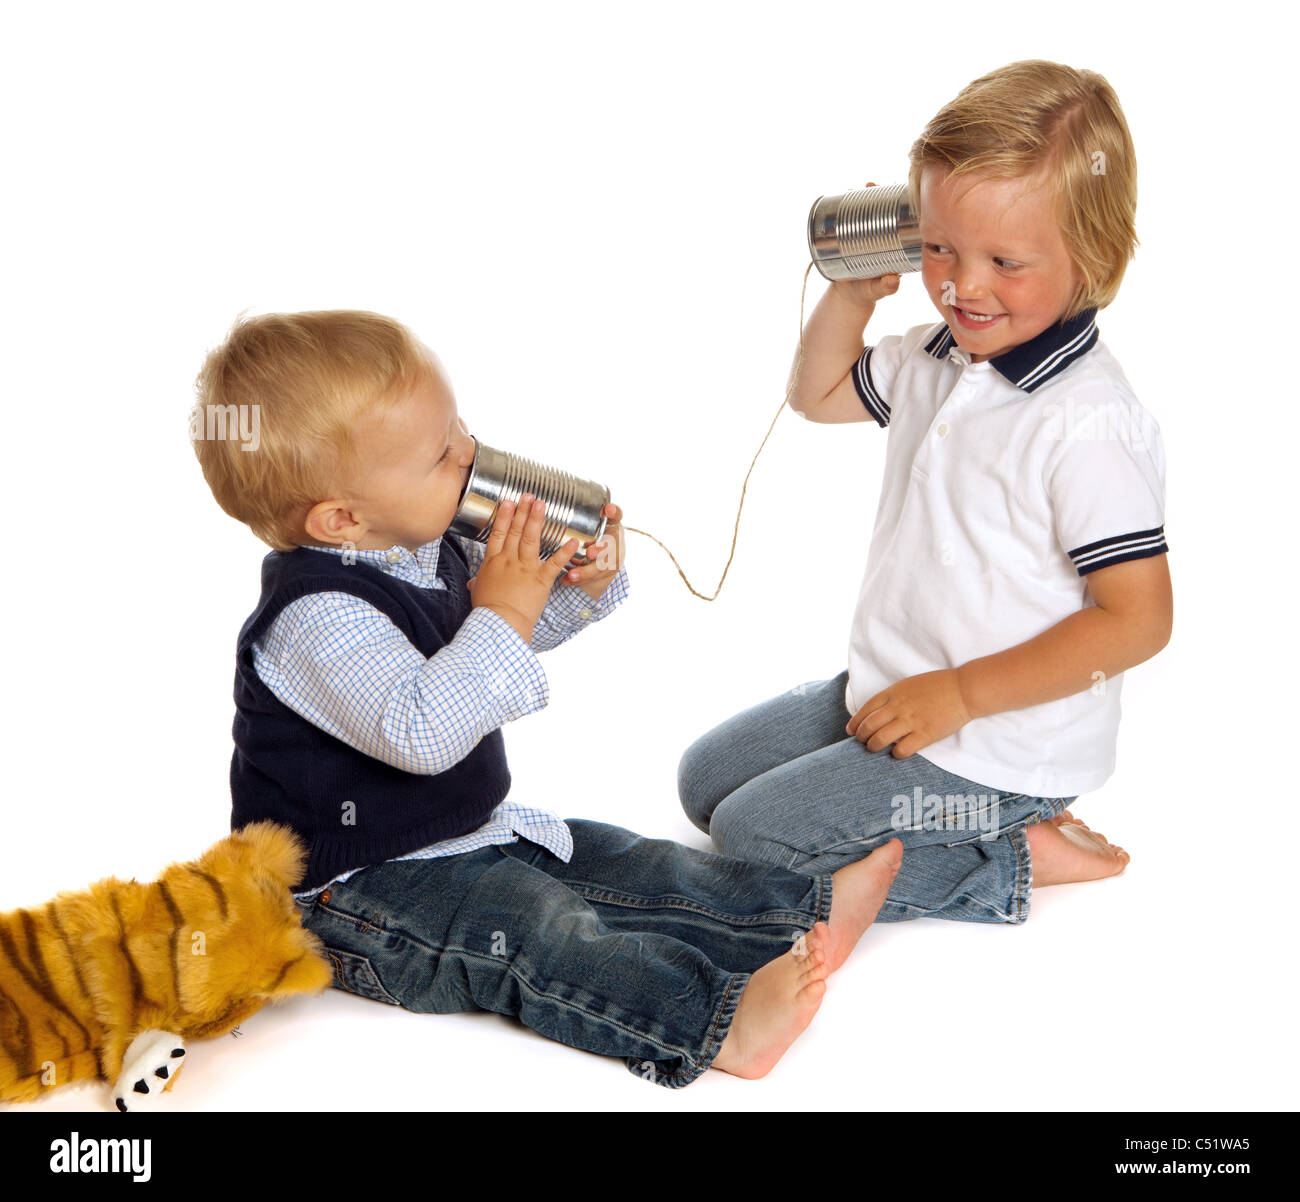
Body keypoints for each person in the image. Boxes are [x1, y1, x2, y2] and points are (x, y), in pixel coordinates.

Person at [190, 309, 902, 1087]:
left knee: (618, 858)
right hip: (360, 893)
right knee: (540, 927)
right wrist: (505, 609)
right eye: (439, 456)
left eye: (458, 428)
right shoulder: (314, 619)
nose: (470, 455)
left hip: (470, 832)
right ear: (341, 518)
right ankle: (712, 1023)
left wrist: (573, 591)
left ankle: (798, 908)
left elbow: (490, 652)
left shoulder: (420, 549)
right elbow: (427, 729)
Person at [678, 59, 1172, 924]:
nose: (962, 285)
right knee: (705, 783)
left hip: (998, 743)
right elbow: (818, 395)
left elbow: (1139, 619)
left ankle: (1008, 852)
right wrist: (852, 294)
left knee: (755, 841)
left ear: (1090, 255)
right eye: (939, 245)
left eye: (1003, 261)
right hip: (898, 683)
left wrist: (965, 695)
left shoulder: (1087, 422)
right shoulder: (937, 355)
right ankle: (951, 815)